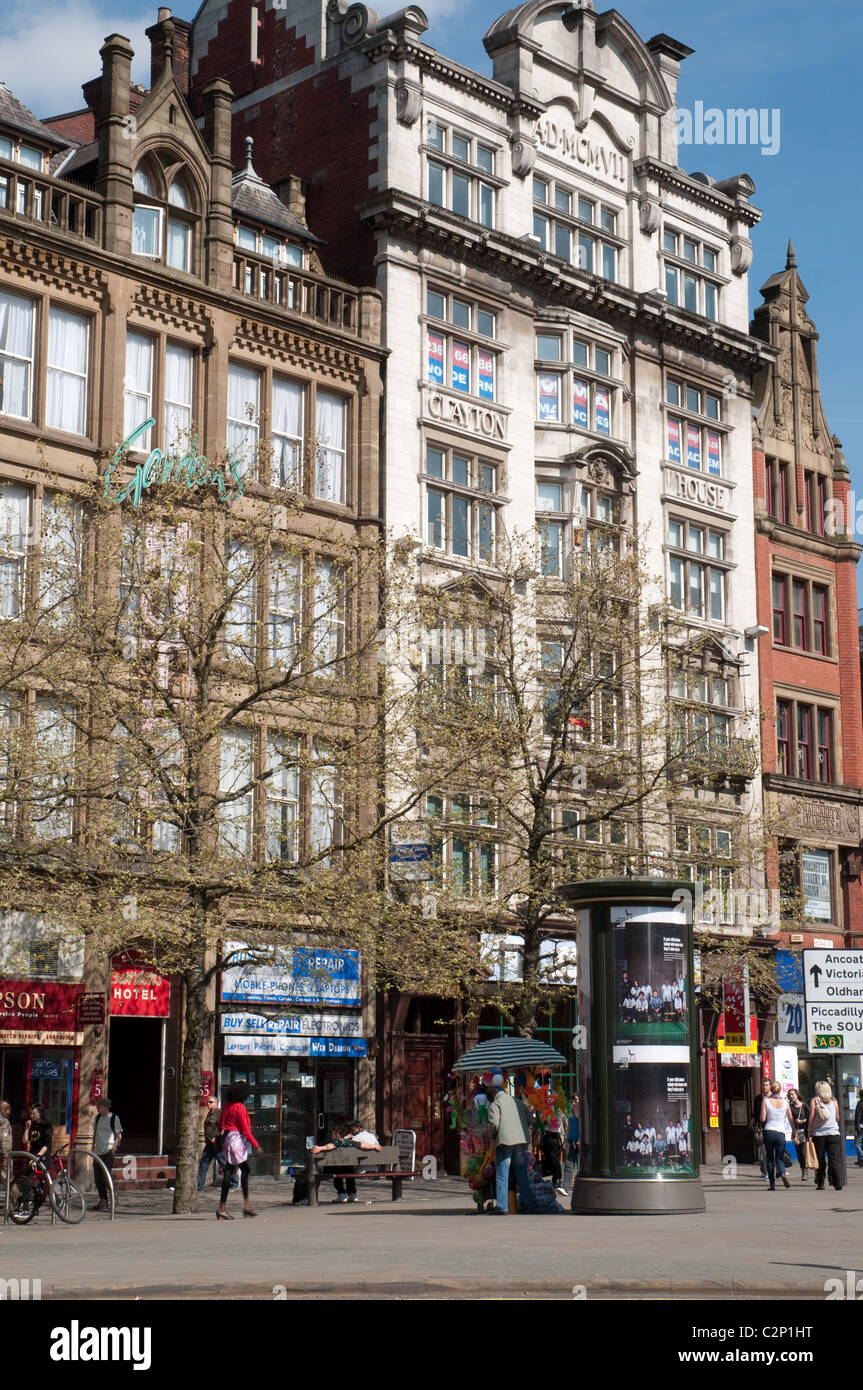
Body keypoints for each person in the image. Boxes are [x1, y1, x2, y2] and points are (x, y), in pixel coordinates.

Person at [487, 1073, 533, 1214]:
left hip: (505, 1141)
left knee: (502, 1174)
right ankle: (526, 1204)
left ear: (494, 1091)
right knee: (521, 1173)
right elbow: (529, 1119)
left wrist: (492, 1136)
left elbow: (494, 1124)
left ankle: (502, 1206)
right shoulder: (517, 1102)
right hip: (521, 1141)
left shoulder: (496, 1103)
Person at [217, 1080, 260, 1219]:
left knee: (229, 1172)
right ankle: (245, 1205)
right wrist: (256, 1145)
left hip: (227, 1139)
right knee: (245, 1170)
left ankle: (223, 1208)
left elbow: (221, 1123)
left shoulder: (226, 1106)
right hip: (236, 1140)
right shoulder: (239, 1107)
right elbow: (246, 1130)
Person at [809, 1081, 843, 1192]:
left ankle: (820, 1183)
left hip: (819, 1134)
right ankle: (838, 1183)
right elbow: (837, 1117)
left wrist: (810, 1130)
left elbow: (812, 1117)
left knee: (820, 1159)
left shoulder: (815, 1100)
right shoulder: (834, 1101)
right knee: (834, 1159)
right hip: (833, 1133)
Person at [311, 1125, 357, 1202]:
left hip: (336, 1168)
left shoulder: (337, 1142)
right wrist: (375, 1146)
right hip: (348, 1168)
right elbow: (364, 1145)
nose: (331, 1136)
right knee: (348, 1170)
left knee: (335, 1170)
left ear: (337, 1135)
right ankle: (352, 1194)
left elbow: (330, 1146)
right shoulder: (349, 1142)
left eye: (332, 1134)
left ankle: (342, 1194)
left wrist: (320, 1148)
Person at [92, 1098, 122, 1211]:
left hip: (108, 1151)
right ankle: (103, 1200)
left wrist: (114, 1146)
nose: (97, 1108)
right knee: (97, 1178)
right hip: (98, 1151)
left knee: (106, 1176)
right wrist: (93, 1145)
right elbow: (95, 1132)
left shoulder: (114, 1118)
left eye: (98, 1106)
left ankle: (114, 1197)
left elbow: (119, 1135)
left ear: (105, 1107)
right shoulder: (97, 1118)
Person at [760, 1081, 792, 1191]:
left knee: (769, 1158)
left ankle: (772, 1184)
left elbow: (763, 1119)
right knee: (779, 1157)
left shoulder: (766, 1101)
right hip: (780, 1132)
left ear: (771, 1090)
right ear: (780, 1090)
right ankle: (782, 1173)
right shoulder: (785, 1102)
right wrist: (794, 1130)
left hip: (769, 1131)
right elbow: (790, 1118)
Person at [197, 1095, 222, 1193]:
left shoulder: (219, 1113)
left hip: (216, 1144)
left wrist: (217, 1138)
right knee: (203, 1165)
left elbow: (223, 1128)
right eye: (208, 1102)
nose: (208, 1104)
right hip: (209, 1144)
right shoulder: (209, 1113)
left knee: (223, 1163)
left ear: (216, 1103)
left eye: (211, 1102)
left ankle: (234, 1182)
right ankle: (200, 1187)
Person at [787, 1088, 809, 1182]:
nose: (792, 1096)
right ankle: (802, 1169)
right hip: (796, 1132)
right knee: (799, 1153)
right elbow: (790, 1119)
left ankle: (806, 1171)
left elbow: (810, 1116)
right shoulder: (790, 1107)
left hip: (804, 1131)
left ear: (797, 1094)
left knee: (804, 1152)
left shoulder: (804, 1105)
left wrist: (803, 1121)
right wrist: (793, 1128)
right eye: (790, 1095)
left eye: (793, 1094)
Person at [0, 1099, 12, 1184]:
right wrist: (5, 1156)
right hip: (3, 1156)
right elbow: (5, 1140)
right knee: (9, 1179)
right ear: (6, 1109)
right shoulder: (4, 1122)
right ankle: (17, 1197)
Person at [854, 1093, 863, 1168]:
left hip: (860, 1126)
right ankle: (860, 1159)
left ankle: (861, 1158)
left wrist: (856, 1128)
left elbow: (858, 1116)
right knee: (858, 1143)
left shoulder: (860, 1104)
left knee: (857, 1143)